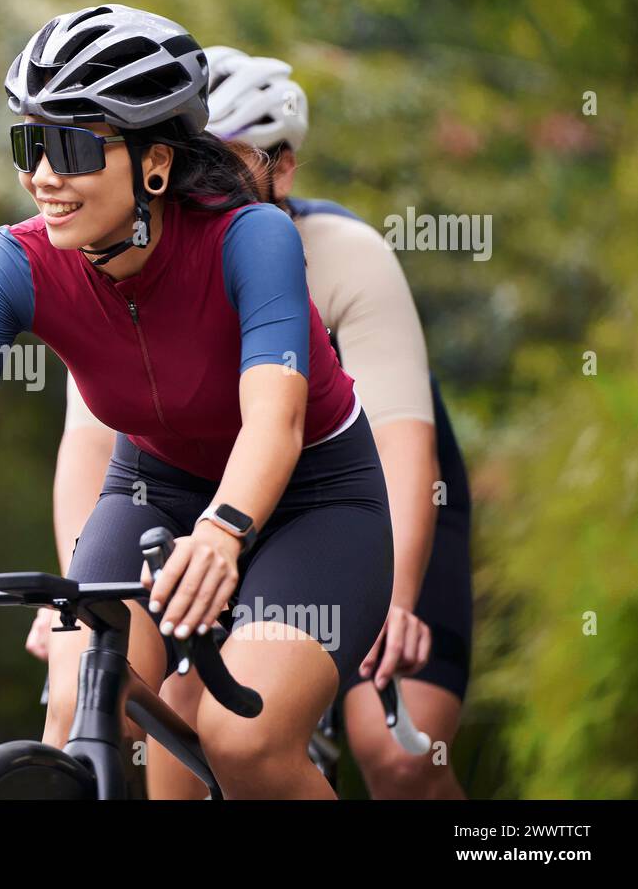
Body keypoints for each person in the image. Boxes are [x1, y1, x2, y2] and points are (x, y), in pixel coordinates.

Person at [0, 5, 405, 798]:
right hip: (155, 490)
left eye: (69, 147)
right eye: (28, 145)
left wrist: (225, 532)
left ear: (155, 162)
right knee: (78, 705)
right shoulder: (11, 263)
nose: (41, 177)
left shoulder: (251, 239)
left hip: (315, 496)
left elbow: (278, 421)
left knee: (241, 737)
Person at [26, 46, 472, 799]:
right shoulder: (126, 261)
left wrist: (396, 598)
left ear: (283, 170)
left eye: (225, 163)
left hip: (366, 501)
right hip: (204, 495)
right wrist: (73, 589)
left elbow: (402, 446)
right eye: (192, 162)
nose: (202, 186)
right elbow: (92, 445)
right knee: (180, 717)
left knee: (397, 756)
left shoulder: (344, 256)